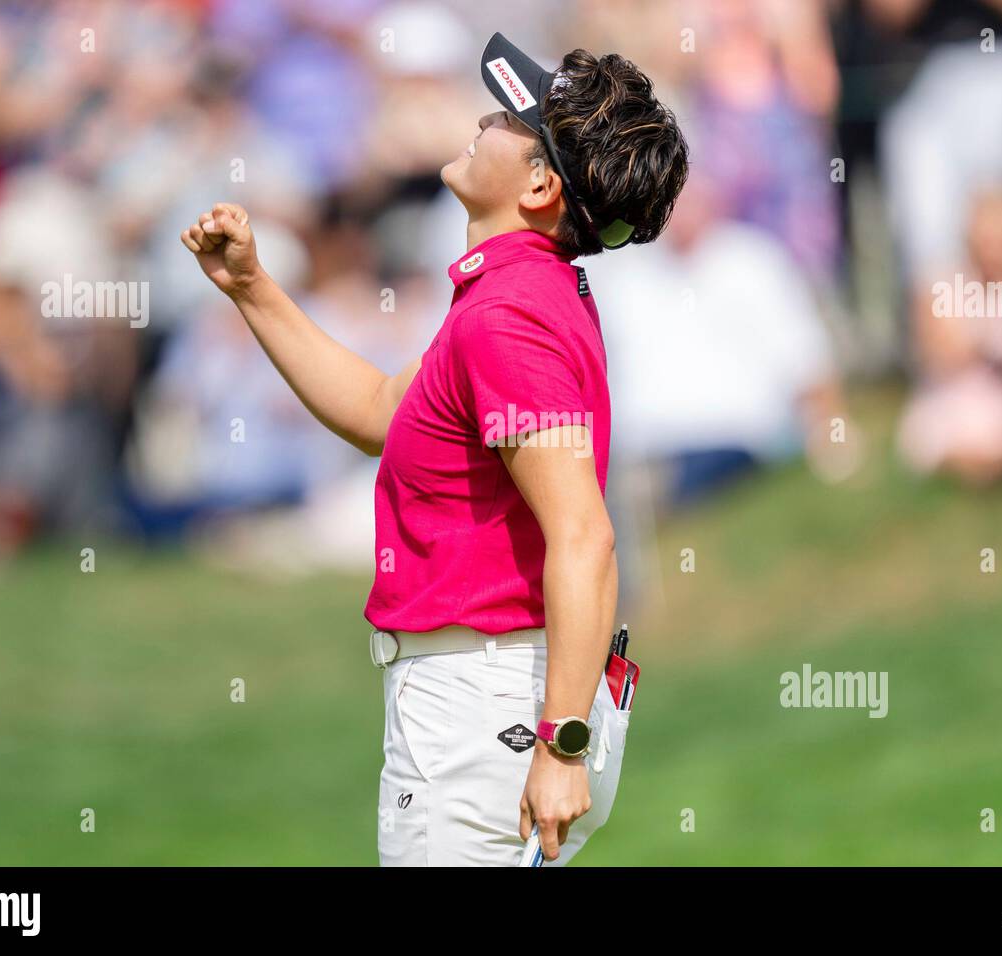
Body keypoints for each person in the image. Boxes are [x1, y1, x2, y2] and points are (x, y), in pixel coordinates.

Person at [181, 32, 688, 865]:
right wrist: (251, 287)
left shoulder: (509, 314)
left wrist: (562, 749)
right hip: (492, 705)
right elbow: (384, 409)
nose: (486, 117)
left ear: (538, 183)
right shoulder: (514, 291)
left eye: (511, 117)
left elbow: (585, 538)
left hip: (482, 713)